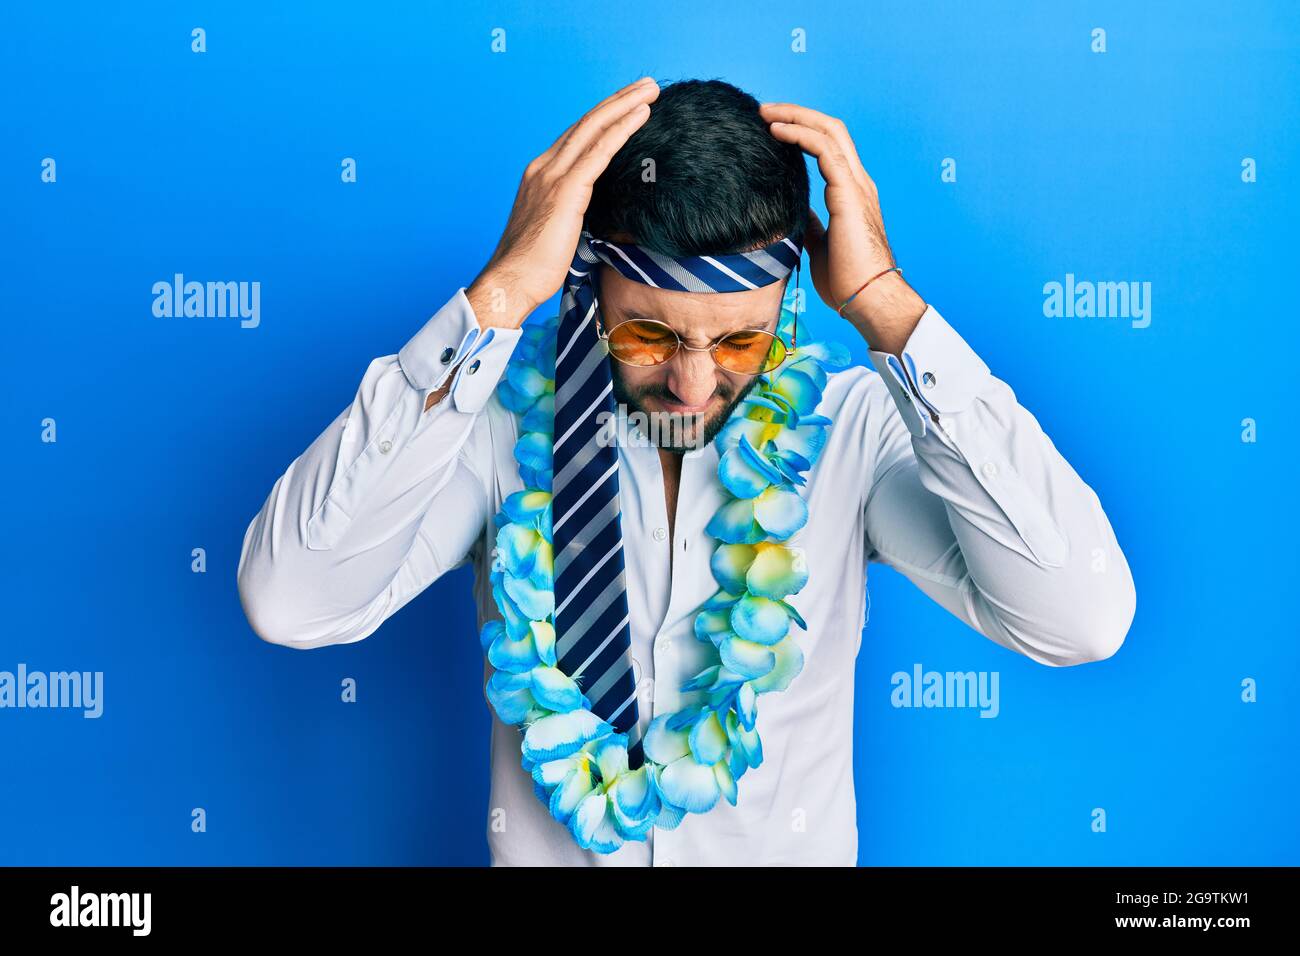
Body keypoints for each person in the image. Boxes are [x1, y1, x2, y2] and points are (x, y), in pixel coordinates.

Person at [236, 77, 1136, 866]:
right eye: (649, 333)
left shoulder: (852, 433)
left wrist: (885, 307)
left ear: (786, 305)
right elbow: (290, 602)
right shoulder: (492, 425)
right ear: (586, 286)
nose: (693, 381)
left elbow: (1081, 619)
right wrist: (500, 295)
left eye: (741, 338)